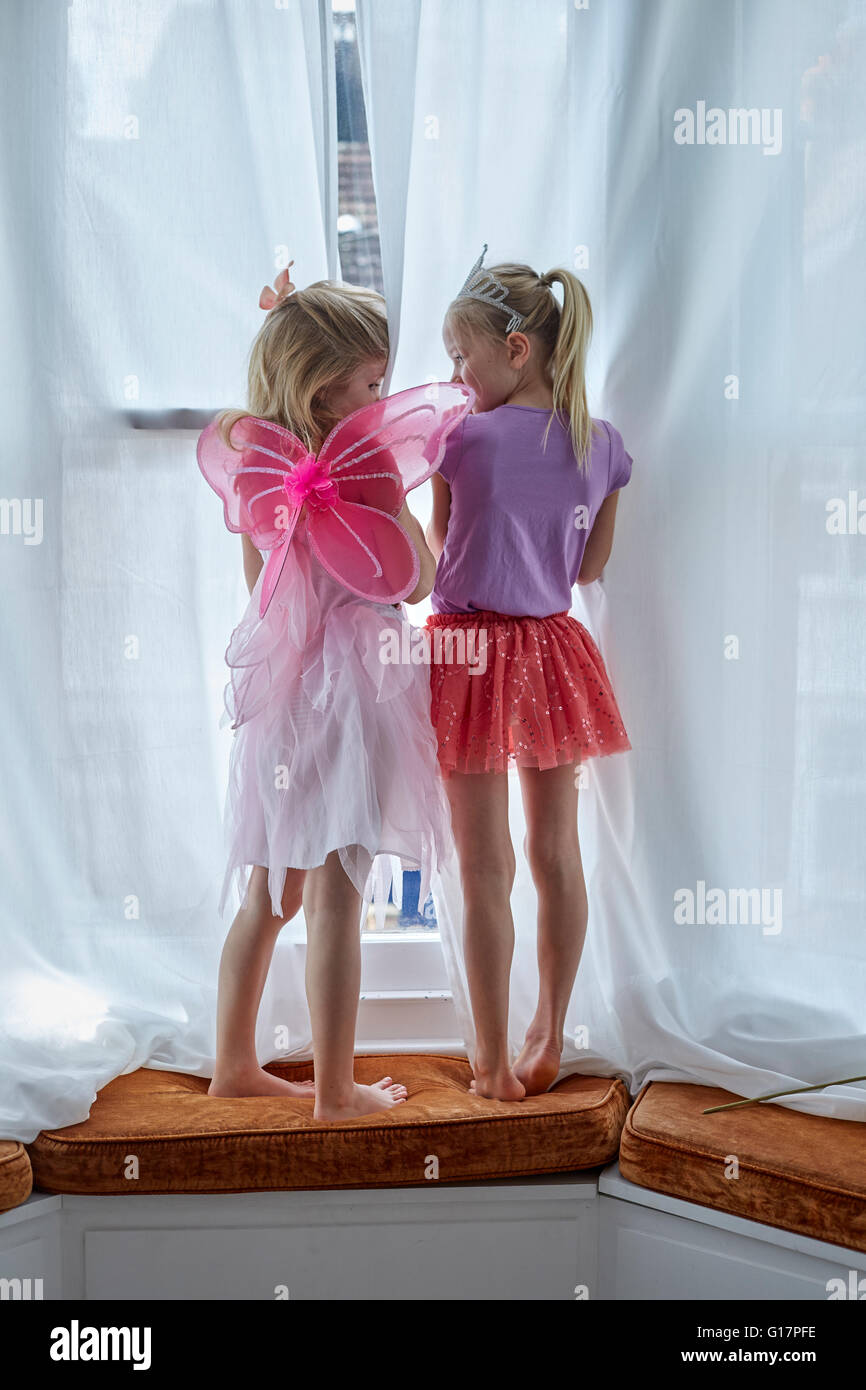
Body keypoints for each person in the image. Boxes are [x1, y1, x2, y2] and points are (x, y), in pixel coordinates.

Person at [201, 263, 469, 1120]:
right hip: (357, 693)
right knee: (338, 896)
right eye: (371, 383)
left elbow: (262, 589)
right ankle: (335, 1093)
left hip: (285, 692)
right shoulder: (375, 472)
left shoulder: (256, 475)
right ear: (326, 391)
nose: (381, 398)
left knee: (270, 894)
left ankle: (232, 1064)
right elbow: (413, 580)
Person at [426, 247, 633, 1100]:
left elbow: (441, 549)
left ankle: (489, 1060)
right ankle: (549, 1030)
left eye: (461, 359)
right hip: (551, 651)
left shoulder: (463, 439)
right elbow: (588, 570)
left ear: (516, 348)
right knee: (557, 852)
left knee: (484, 864)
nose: (455, 376)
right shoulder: (602, 444)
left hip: (470, 653)